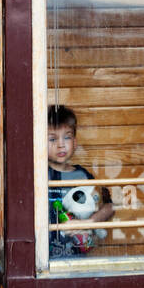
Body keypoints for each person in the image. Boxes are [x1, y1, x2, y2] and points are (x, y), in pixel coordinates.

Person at [46, 105, 114, 258]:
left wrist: (89, 222)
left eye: (67, 137)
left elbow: (109, 206)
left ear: (75, 142)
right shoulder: (38, 176)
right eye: (52, 139)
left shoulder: (82, 175)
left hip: (77, 259)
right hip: (44, 262)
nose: (61, 144)